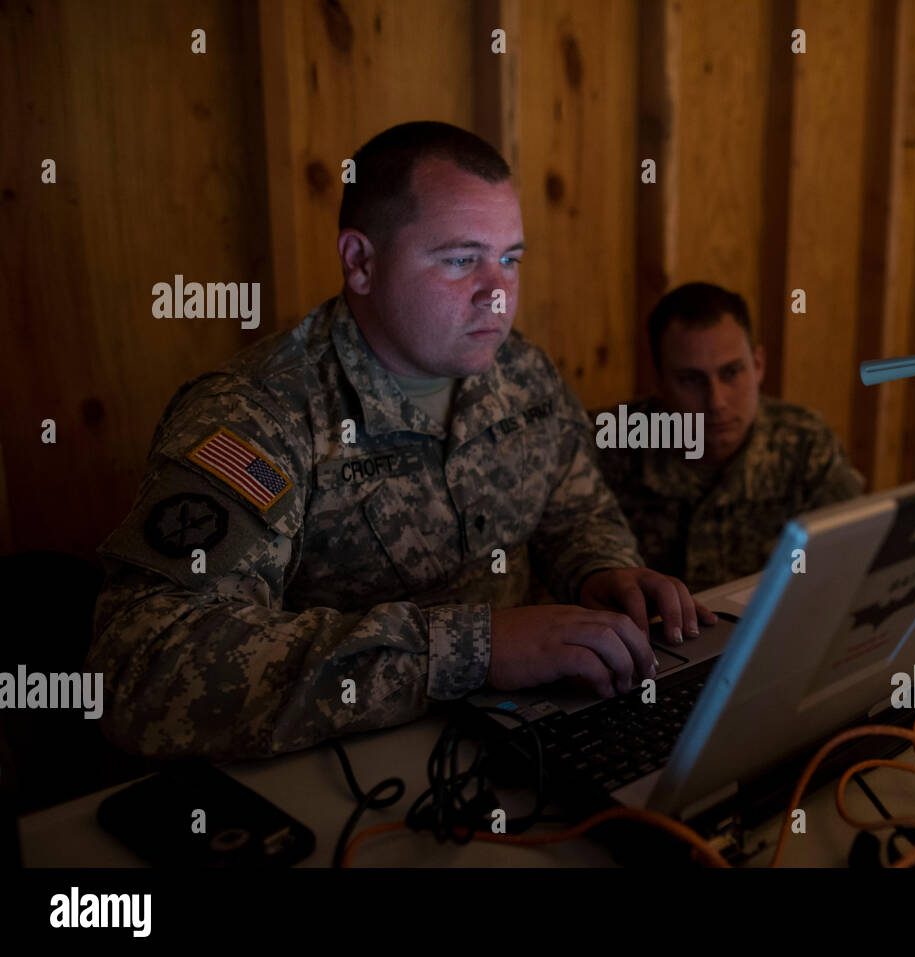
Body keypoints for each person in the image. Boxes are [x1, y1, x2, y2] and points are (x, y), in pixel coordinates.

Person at [88, 122, 714, 762]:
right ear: (360, 261)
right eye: (461, 259)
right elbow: (142, 666)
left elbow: (577, 514)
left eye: (511, 259)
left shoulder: (520, 371)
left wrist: (602, 571)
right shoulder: (260, 414)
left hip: (527, 735)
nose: (498, 295)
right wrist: (473, 648)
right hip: (345, 768)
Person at [594, 282, 864, 592]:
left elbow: (852, 560)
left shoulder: (804, 443)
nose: (716, 401)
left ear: (758, 365)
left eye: (731, 372)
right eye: (691, 380)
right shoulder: (610, 443)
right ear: (658, 381)